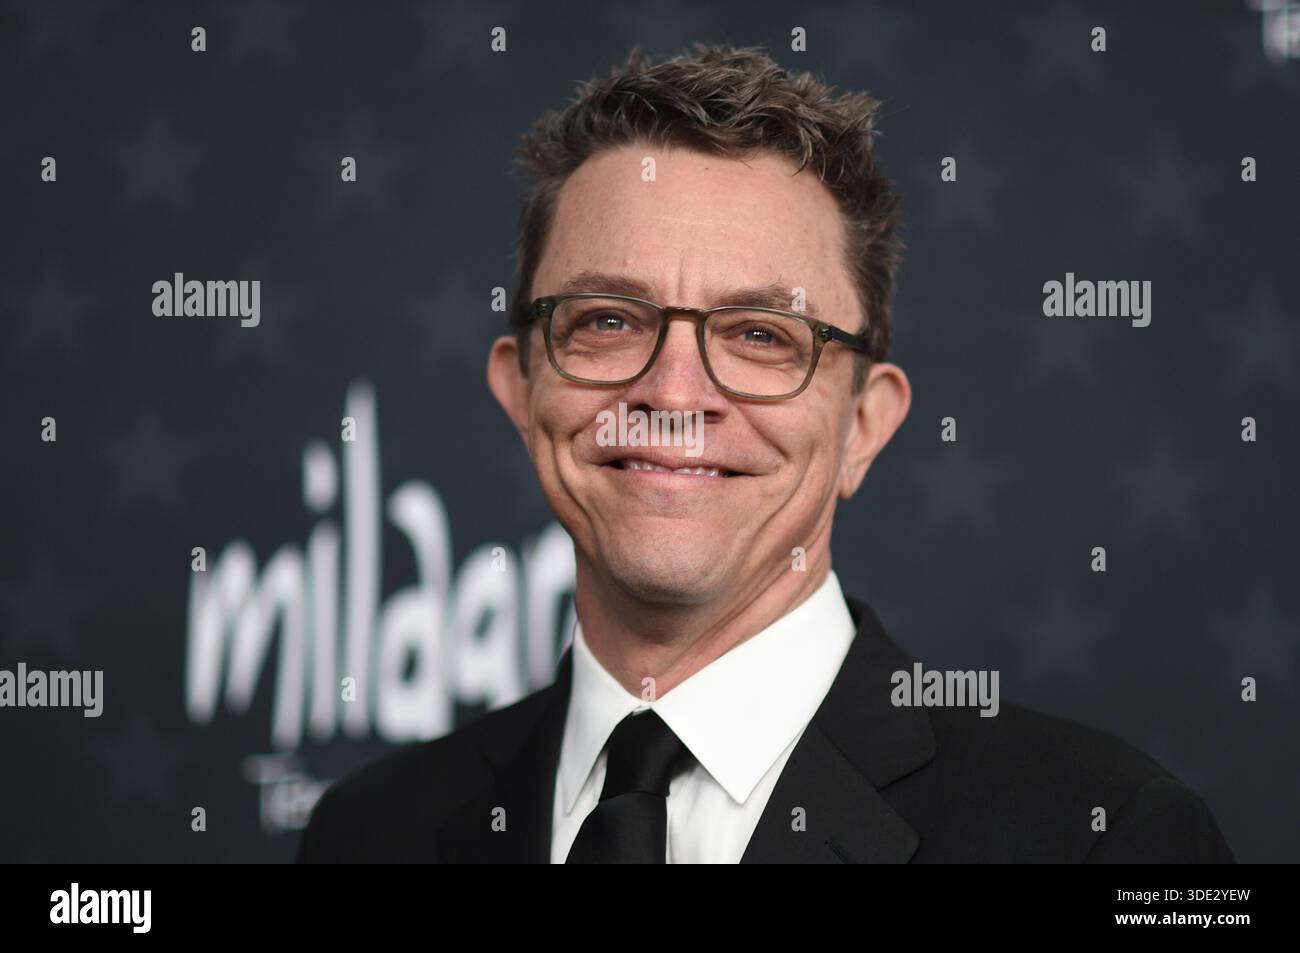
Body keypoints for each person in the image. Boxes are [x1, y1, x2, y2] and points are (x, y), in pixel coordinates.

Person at [298, 44, 1234, 863]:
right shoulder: (371, 832)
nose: (672, 393)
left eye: (759, 336)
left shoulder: (1103, 837)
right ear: (521, 387)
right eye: (608, 320)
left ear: (865, 422)